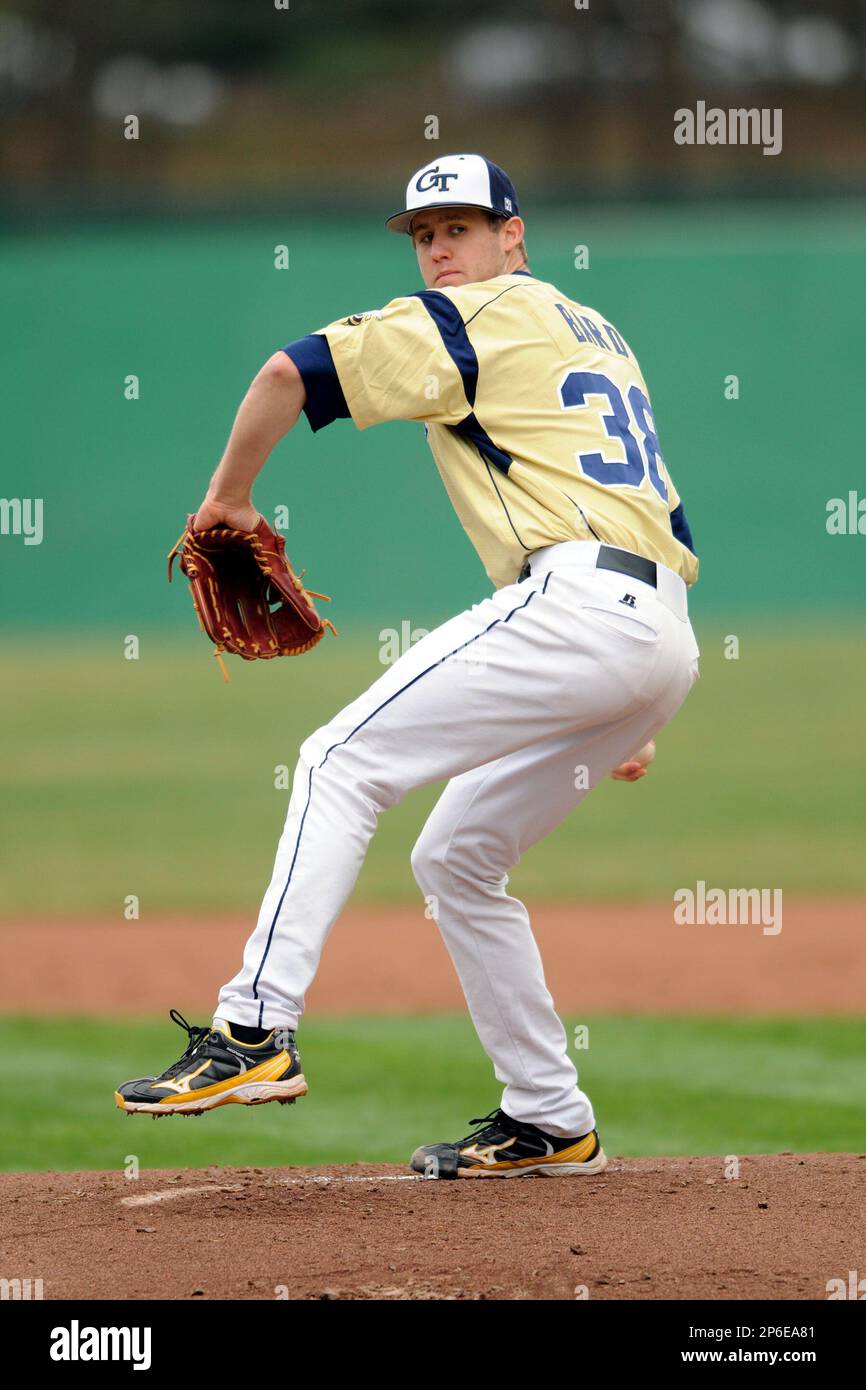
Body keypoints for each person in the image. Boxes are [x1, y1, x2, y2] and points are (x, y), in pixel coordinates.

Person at [115, 154, 699, 1179]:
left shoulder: (467, 319)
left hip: (575, 605)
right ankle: (549, 1116)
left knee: (339, 760)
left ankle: (252, 1030)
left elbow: (285, 372)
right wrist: (633, 698)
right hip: (656, 628)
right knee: (455, 859)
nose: (438, 250)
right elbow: (655, 515)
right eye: (424, 234)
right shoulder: (595, 331)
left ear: (513, 236)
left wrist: (226, 504)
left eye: (461, 228)